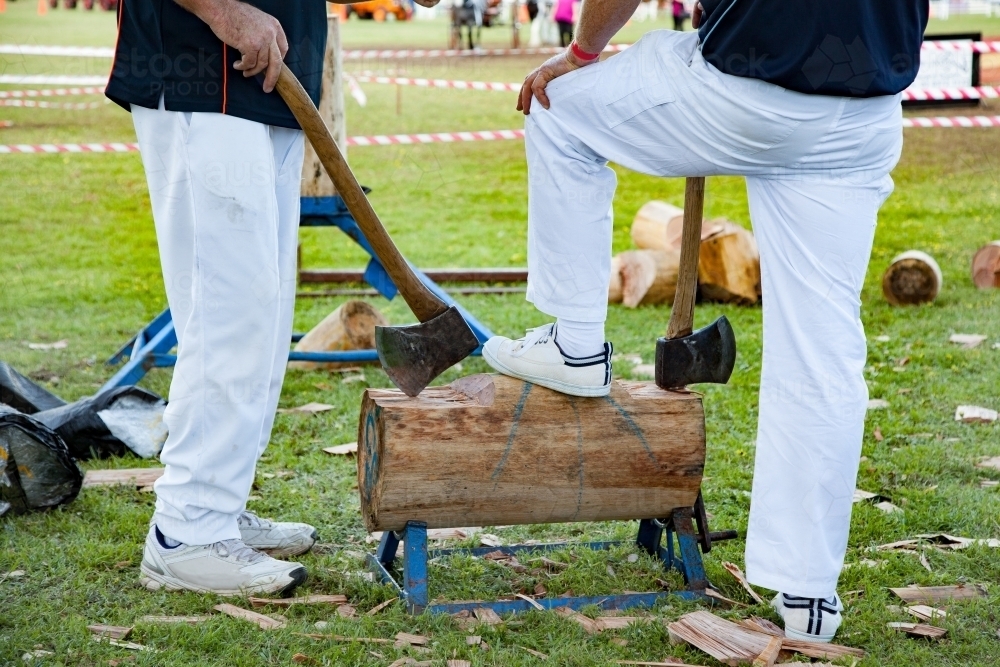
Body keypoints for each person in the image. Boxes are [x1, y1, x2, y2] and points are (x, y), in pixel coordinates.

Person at [485, 0, 927, 643]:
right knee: (826, 349)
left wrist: (581, 53)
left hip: (748, 92)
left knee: (560, 112)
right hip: (866, 110)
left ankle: (576, 343)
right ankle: (809, 594)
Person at [104, 0, 440, 597]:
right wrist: (224, 9)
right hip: (203, 74)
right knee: (228, 313)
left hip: (266, 83)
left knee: (259, 311)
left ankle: (218, 506)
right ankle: (187, 531)